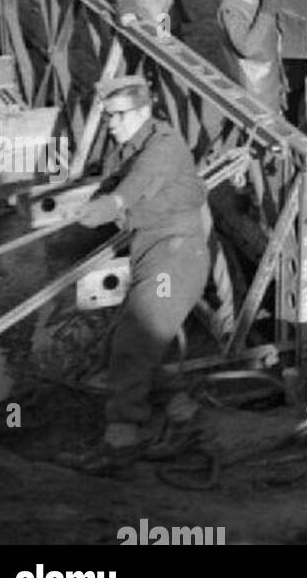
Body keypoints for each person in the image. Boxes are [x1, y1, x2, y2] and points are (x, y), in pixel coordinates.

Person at [65, 74, 211, 471]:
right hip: (152, 254)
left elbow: (130, 190)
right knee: (151, 342)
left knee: (133, 339)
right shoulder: (125, 147)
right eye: (106, 115)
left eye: (116, 115)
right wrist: (85, 204)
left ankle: (121, 440)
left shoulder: (162, 147)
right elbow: (114, 183)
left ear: (143, 111)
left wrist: (106, 208)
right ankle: (184, 418)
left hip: (175, 260)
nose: (109, 123)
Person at [216, 0, 284, 109]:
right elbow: (246, 48)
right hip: (254, 89)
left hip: (266, 78)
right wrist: (266, 12)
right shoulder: (232, 7)